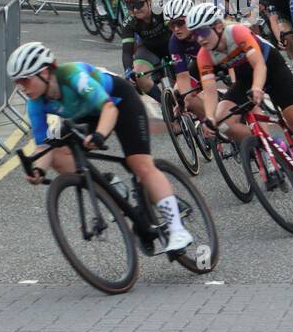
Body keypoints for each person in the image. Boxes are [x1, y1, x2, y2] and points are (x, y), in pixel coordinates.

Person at [10, 42, 193, 254]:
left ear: (43, 72)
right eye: (17, 82)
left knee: (139, 164)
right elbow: (44, 146)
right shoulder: (34, 103)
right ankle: (108, 186)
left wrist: (99, 135)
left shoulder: (72, 75)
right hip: (85, 116)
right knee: (57, 151)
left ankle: (177, 230)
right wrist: (38, 170)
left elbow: (108, 109)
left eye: (24, 80)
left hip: (119, 103)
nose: (21, 87)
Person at [188, 2, 293, 200]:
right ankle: (270, 145)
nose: (199, 38)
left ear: (218, 26)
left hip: (272, 70)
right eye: (195, 34)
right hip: (245, 80)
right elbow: (209, 91)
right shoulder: (204, 55)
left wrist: (257, 88)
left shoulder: (237, 32)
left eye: (202, 31)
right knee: (222, 123)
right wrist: (209, 117)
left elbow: (259, 65)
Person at [119, 0, 173, 99]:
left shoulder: (161, 7)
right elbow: (127, 52)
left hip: (170, 43)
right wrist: (128, 72)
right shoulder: (129, 21)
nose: (135, 9)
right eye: (130, 6)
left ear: (149, 1)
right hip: (149, 48)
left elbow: (176, 32)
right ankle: (166, 104)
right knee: (139, 77)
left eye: (139, 4)